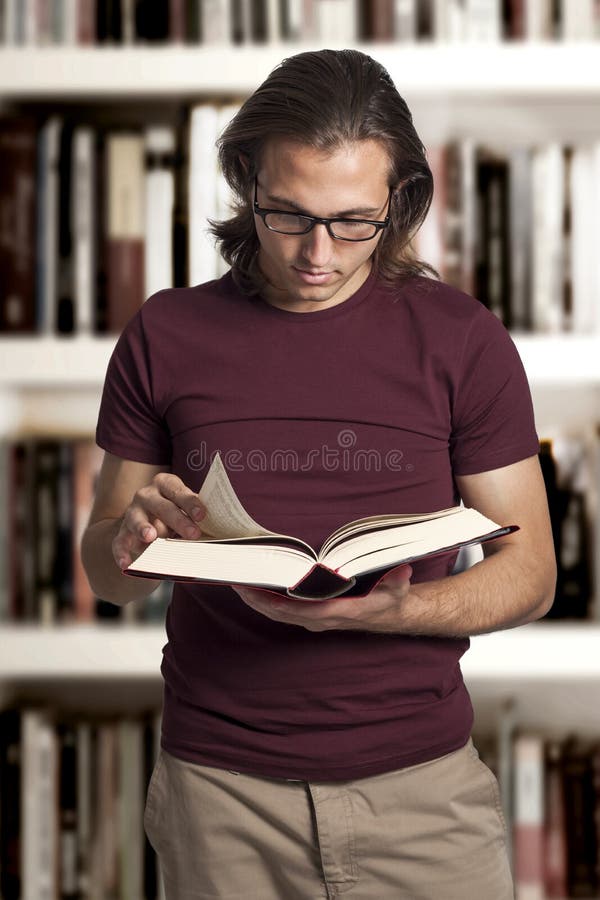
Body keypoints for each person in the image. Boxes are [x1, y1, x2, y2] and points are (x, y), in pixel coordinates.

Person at [82, 48, 556, 900]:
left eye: (352, 221)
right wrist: (132, 541)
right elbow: (105, 576)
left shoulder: (463, 339)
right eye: (288, 214)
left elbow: (531, 575)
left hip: (423, 791)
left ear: (398, 201)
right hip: (220, 795)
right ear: (245, 180)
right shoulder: (166, 333)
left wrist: (407, 611)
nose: (317, 253)